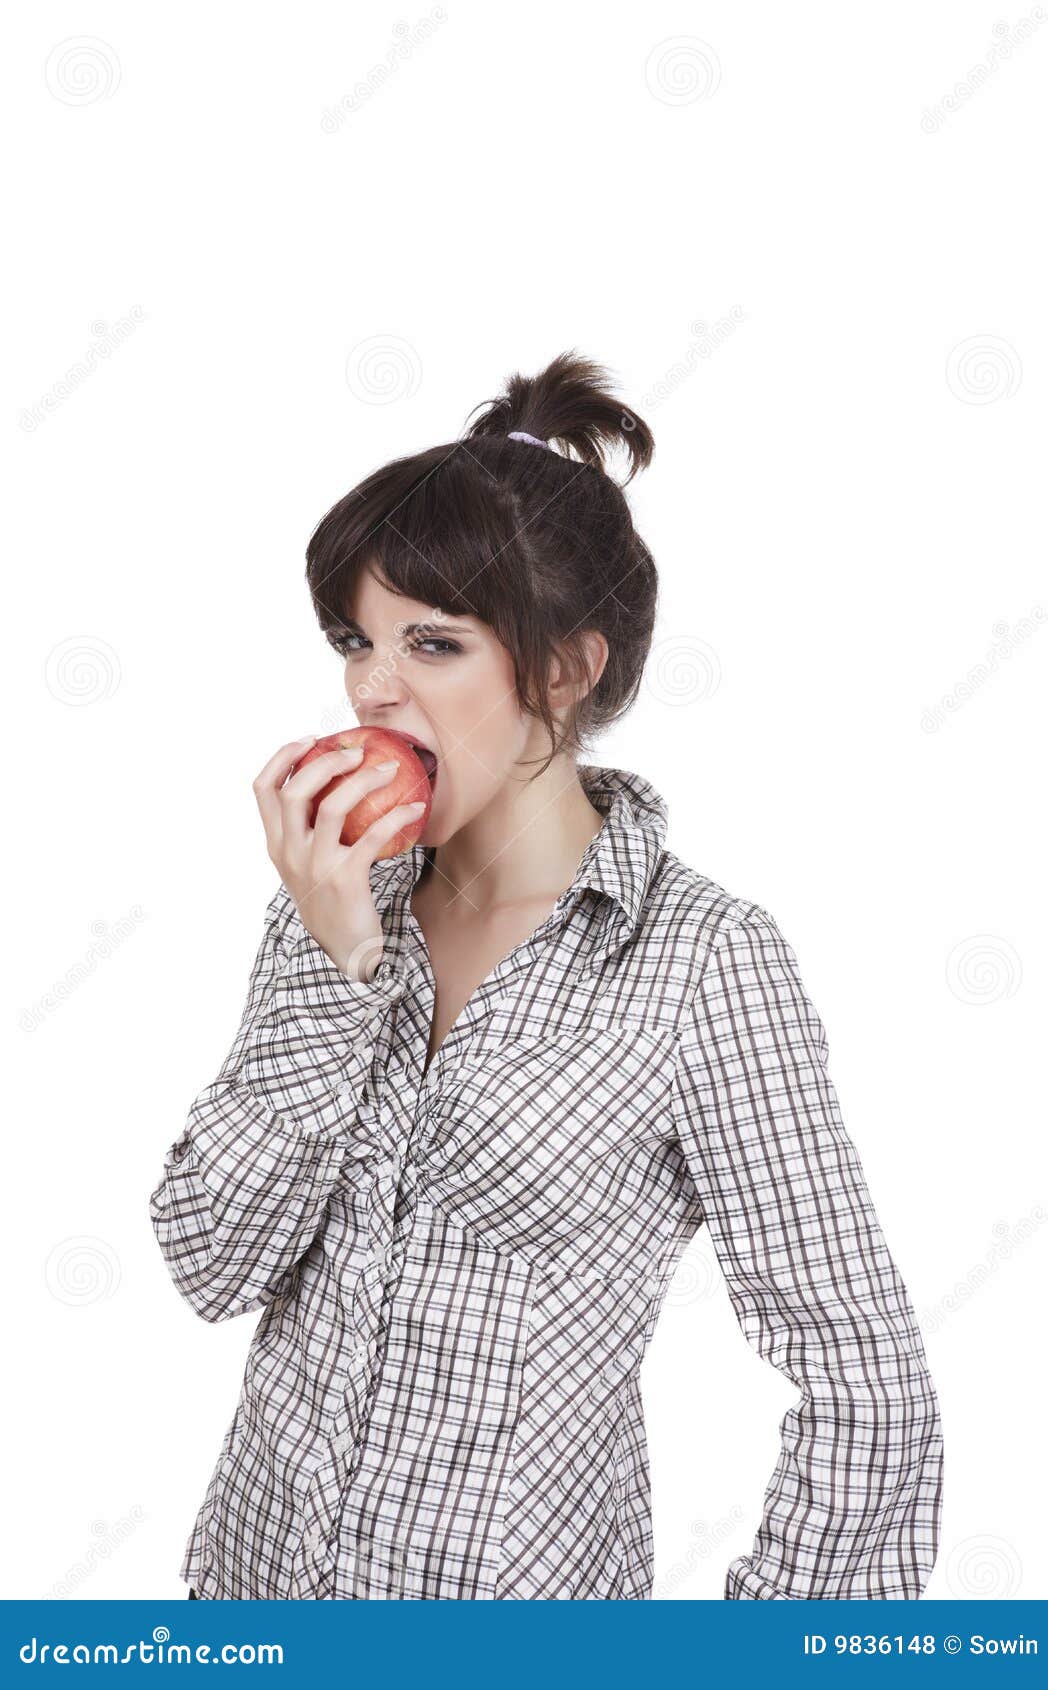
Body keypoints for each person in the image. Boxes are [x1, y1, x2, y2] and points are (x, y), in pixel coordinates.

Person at [149, 351, 943, 1601]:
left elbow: (862, 1377)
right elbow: (208, 1264)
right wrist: (332, 960)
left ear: (565, 670)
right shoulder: (329, 901)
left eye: (433, 642)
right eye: (356, 639)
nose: (370, 686)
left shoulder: (703, 962)